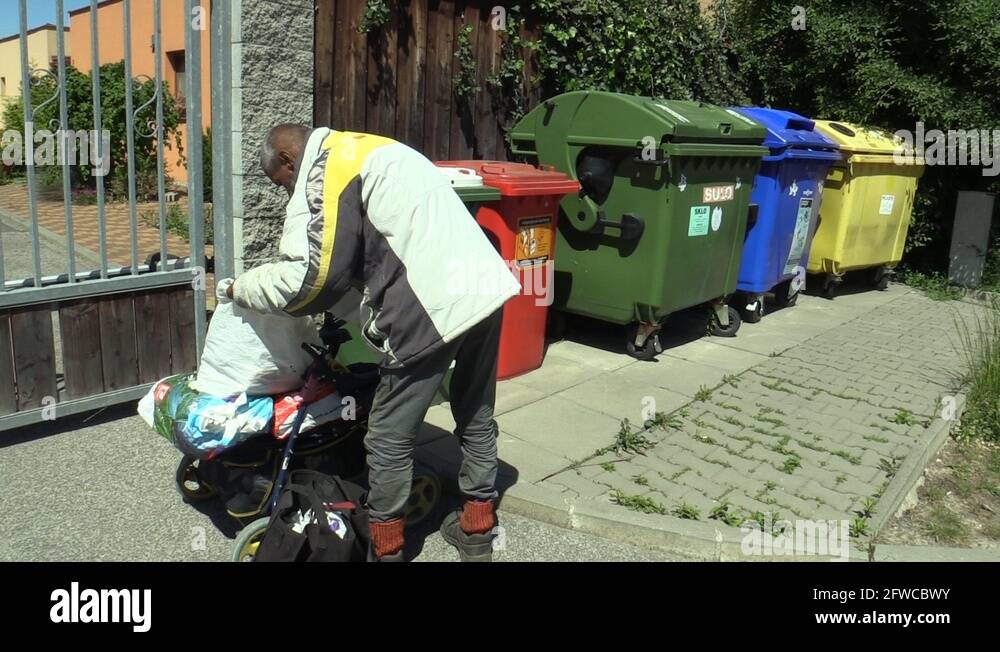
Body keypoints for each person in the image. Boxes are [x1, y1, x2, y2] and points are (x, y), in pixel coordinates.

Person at [222, 124, 520, 561]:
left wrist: (239, 288)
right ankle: (476, 529)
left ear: (288, 160)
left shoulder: (328, 168)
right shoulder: (371, 148)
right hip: (484, 286)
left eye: (282, 182)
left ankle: (387, 550)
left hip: (431, 310)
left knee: (387, 436)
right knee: (474, 406)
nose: (287, 191)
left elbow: (310, 279)